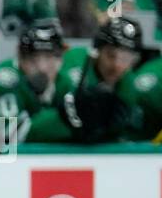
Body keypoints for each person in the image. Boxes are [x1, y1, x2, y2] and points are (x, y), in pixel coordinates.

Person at [0, 20, 70, 147]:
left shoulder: (66, 83)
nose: (42, 68)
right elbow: (10, 136)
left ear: (61, 59)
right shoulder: (0, 83)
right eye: (34, 59)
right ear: (20, 57)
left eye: (49, 58)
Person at [48, 15, 144, 144]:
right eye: (111, 55)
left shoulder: (130, 83)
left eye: (126, 58)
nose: (117, 65)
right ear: (98, 49)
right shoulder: (74, 64)